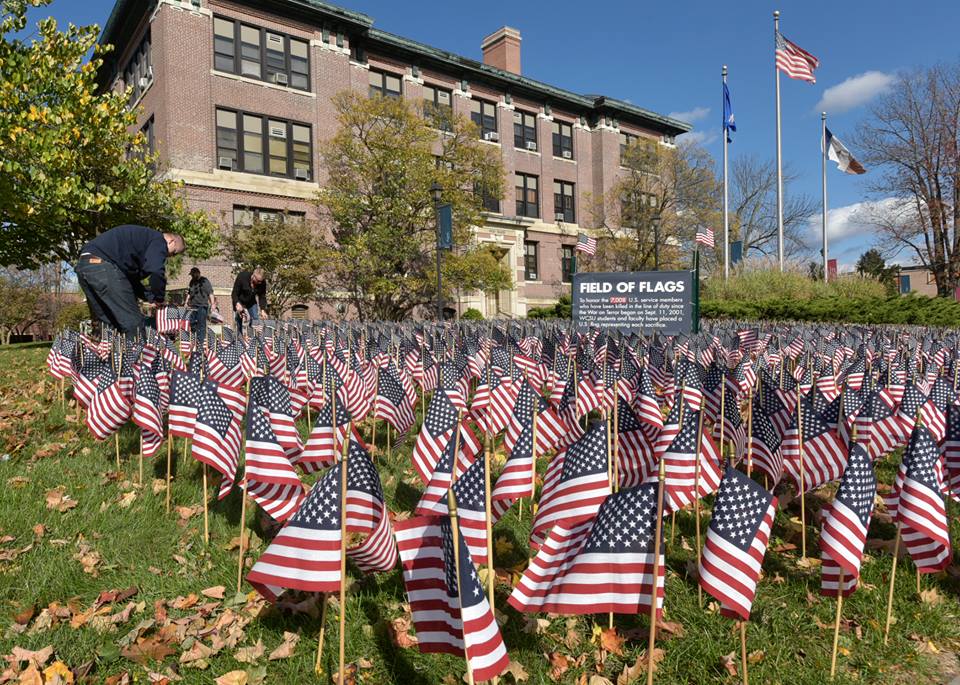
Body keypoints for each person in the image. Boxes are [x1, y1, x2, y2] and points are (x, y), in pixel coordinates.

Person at [75, 225, 186, 337]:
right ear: (172, 241)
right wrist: (159, 297)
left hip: (84, 265)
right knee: (134, 323)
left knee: (108, 323)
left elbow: (129, 282)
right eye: (174, 253)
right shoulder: (158, 240)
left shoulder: (138, 244)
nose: (170, 256)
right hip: (103, 265)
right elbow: (156, 271)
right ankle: (136, 353)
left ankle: (111, 353)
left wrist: (151, 298)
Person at [231, 267, 268, 334]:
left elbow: (262, 296)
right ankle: (239, 338)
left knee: (255, 319)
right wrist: (237, 303)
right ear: (253, 276)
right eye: (258, 281)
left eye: (261, 281)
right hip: (239, 301)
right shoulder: (242, 277)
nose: (259, 283)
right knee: (239, 320)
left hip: (251, 302)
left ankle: (253, 337)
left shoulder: (262, 283)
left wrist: (263, 309)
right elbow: (234, 293)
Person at [187, 266, 217, 344]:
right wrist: (186, 302)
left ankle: (201, 342)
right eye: (191, 275)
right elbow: (189, 293)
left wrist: (213, 304)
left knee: (201, 324)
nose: (192, 276)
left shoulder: (204, 281)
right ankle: (194, 339)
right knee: (192, 323)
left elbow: (210, 292)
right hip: (193, 306)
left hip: (202, 306)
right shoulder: (192, 282)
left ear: (197, 273)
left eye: (193, 274)